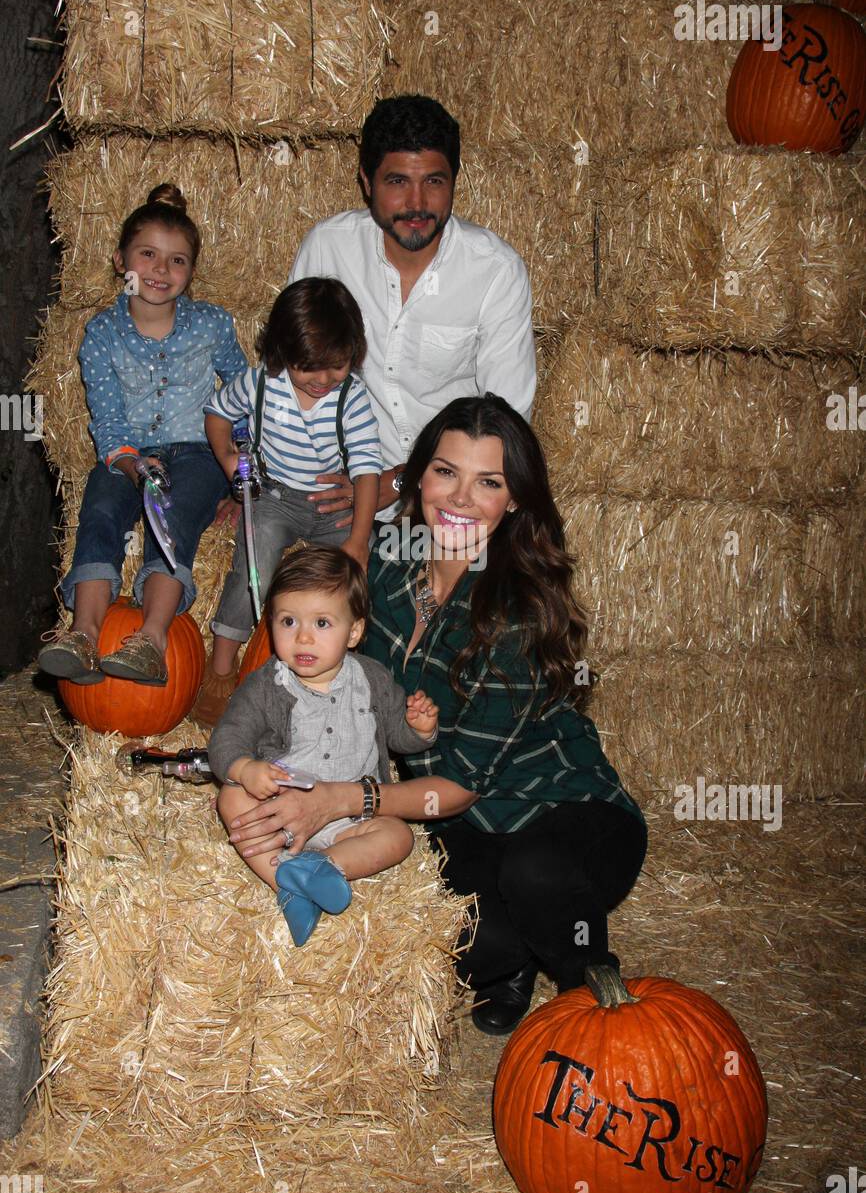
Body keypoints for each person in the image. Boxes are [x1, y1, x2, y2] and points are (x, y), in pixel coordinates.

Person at [220, 395, 648, 1034]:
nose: (460, 497)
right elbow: (316, 651)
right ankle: (512, 962)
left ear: (515, 502)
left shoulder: (518, 614)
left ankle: (598, 993)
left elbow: (458, 786)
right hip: (460, 821)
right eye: (446, 472)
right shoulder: (386, 569)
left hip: (559, 808)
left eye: (489, 482)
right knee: (470, 950)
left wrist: (341, 800)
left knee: (537, 877)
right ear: (418, 477)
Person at [287, 94, 536, 529]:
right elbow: (287, 378)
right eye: (398, 182)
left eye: (435, 182)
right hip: (339, 493)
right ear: (367, 181)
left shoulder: (494, 270)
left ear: (455, 181)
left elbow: (506, 421)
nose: (417, 203)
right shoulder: (328, 249)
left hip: (453, 499)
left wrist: (401, 480)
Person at [38, 184, 246, 687]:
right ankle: (84, 633)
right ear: (120, 260)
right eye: (148, 255)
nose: (160, 270)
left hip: (197, 453)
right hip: (129, 455)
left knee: (172, 517)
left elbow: (243, 397)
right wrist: (131, 464)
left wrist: (241, 478)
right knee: (101, 508)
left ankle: (151, 641)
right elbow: (107, 420)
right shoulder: (103, 334)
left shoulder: (212, 324)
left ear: (190, 272)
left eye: (177, 260)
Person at [208, 546, 440, 946]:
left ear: (353, 632)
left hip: (349, 820)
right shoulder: (267, 685)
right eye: (288, 621)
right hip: (279, 811)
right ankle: (284, 879)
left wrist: (418, 730)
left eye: (321, 622)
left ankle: (320, 869)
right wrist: (245, 768)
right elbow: (226, 738)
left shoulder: (373, 679)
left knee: (399, 837)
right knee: (231, 799)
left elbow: (396, 738)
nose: (302, 636)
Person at [191, 278, 382, 725]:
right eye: (308, 367)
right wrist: (228, 461)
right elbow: (217, 412)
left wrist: (357, 540)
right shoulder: (260, 384)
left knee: (349, 581)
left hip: (331, 504)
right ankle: (221, 670)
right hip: (274, 495)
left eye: (336, 366)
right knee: (252, 566)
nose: (322, 380)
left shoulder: (350, 398)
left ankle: (344, 679)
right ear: (281, 352)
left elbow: (367, 471)